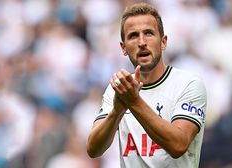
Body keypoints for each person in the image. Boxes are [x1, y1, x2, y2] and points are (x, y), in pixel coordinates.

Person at [86, 2, 207, 168]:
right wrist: (117, 111)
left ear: (163, 42)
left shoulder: (188, 84)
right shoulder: (119, 88)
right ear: (123, 48)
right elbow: (93, 149)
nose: (142, 42)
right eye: (133, 36)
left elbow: (178, 145)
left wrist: (133, 102)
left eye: (149, 33)